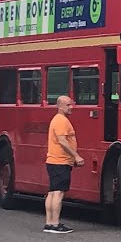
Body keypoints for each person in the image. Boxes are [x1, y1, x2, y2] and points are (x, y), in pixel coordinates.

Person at [44, 95, 84, 233]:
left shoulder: (56, 120)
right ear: (60, 106)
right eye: (68, 105)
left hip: (53, 161)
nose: (71, 107)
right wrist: (76, 156)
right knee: (59, 193)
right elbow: (62, 141)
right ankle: (55, 224)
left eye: (71, 104)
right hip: (60, 161)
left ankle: (49, 223)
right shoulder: (61, 121)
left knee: (52, 192)